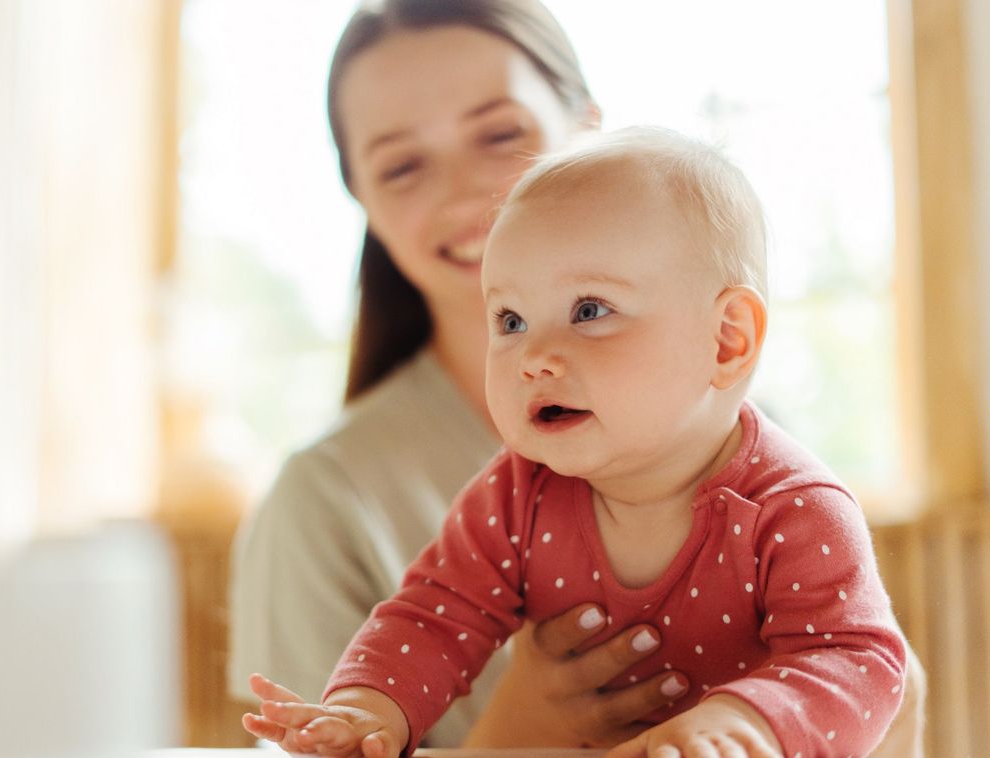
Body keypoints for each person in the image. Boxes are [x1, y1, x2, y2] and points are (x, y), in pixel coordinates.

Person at [227, 0, 925, 752]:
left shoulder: (781, 487)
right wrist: (386, 710)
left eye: (590, 308)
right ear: (358, 199)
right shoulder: (503, 491)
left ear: (727, 343)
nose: (470, 195)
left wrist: (750, 721)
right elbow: (433, 614)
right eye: (511, 322)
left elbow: (861, 664)